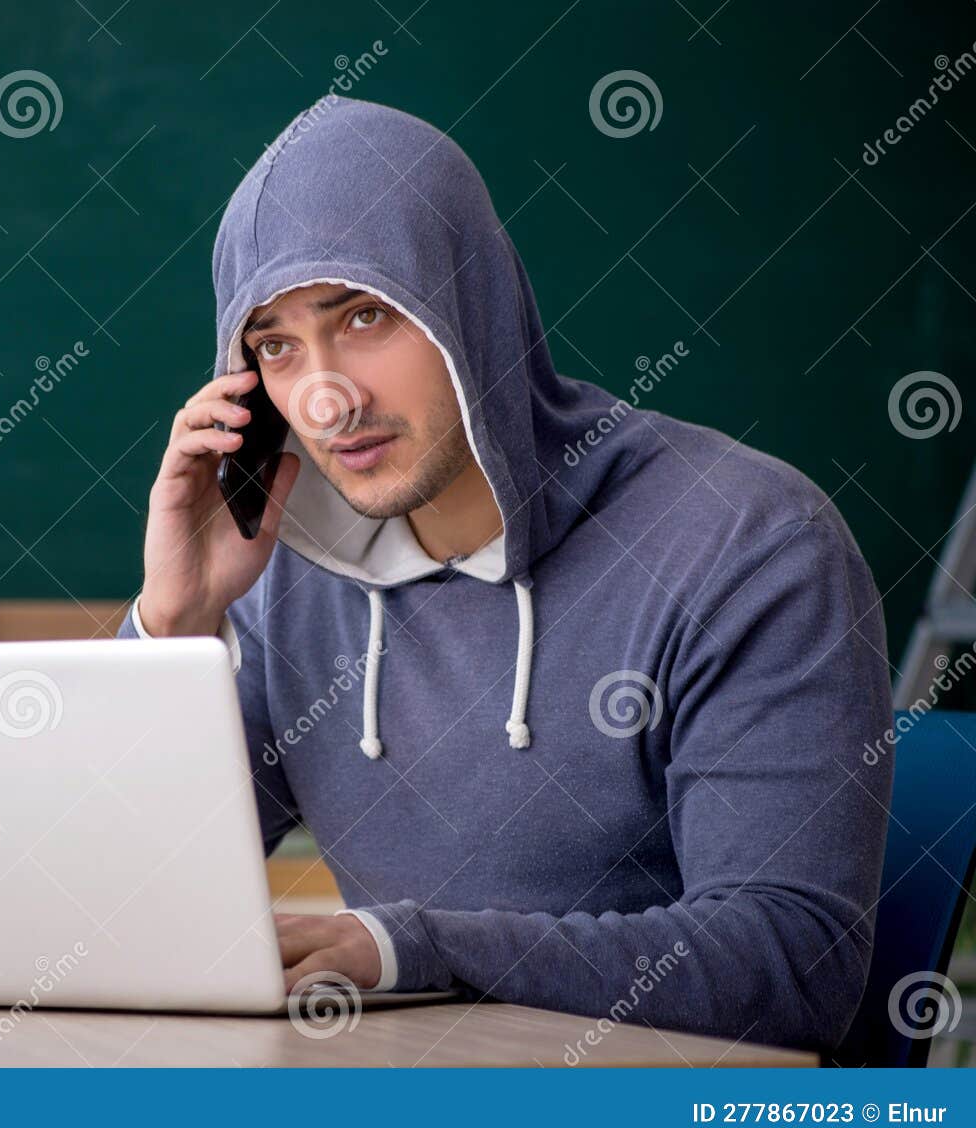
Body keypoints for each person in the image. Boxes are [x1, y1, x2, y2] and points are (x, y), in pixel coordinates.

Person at [119, 97, 892, 1051]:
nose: (325, 400)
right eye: (276, 345)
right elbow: (117, 895)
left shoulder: (747, 542)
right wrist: (173, 627)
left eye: (365, 316)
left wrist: (414, 949)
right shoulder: (282, 576)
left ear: (472, 306)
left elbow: (793, 964)